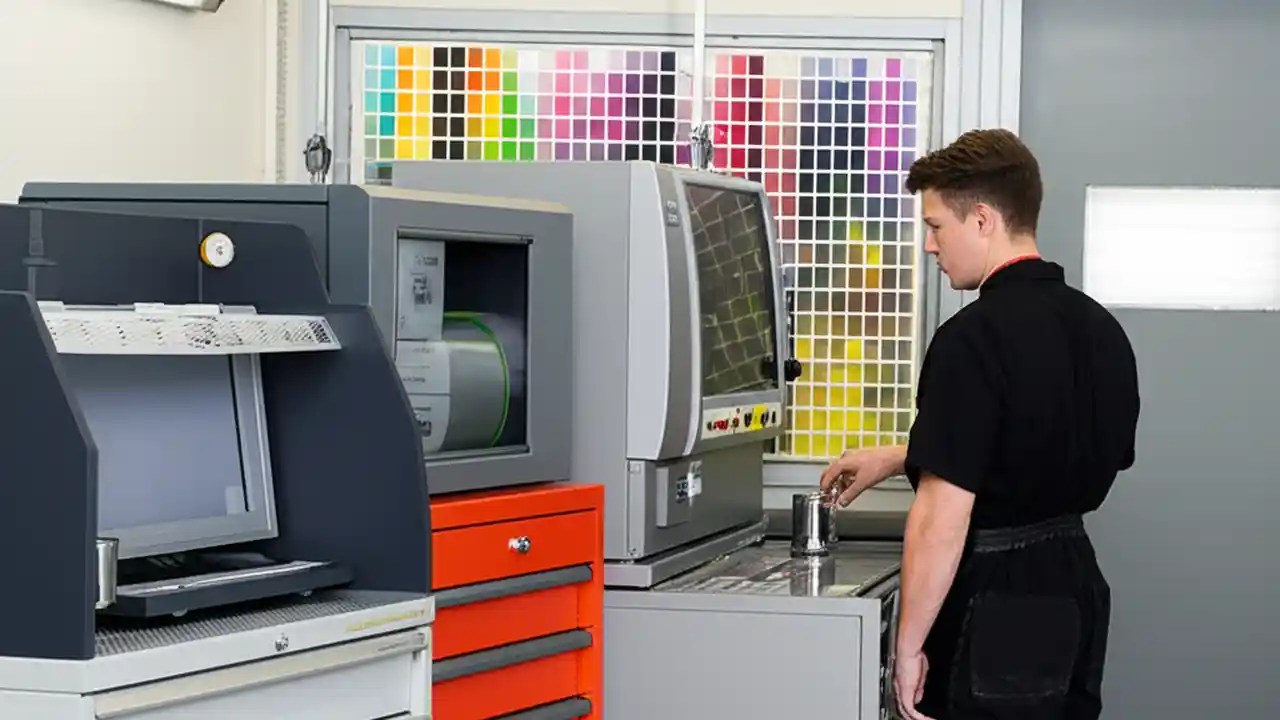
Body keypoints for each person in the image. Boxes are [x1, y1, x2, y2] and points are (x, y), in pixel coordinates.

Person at [820, 128, 1140, 720]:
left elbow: (941, 520)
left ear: (983, 220)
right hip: (1076, 591)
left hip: (991, 605)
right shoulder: (1101, 331)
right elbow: (1036, 443)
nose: (929, 246)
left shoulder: (970, 339)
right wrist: (903, 455)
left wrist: (907, 648)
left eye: (936, 226)